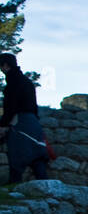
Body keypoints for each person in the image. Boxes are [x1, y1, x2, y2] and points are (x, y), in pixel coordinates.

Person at [0, 53, 50, 184]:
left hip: (20, 121)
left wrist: (4, 124)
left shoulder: (13, 82)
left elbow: (11, 106)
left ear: (5, 65)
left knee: (16, 155)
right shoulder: (27, 82)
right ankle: (45, 186)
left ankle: (14, 186)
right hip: (33, 122)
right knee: (37, 155)